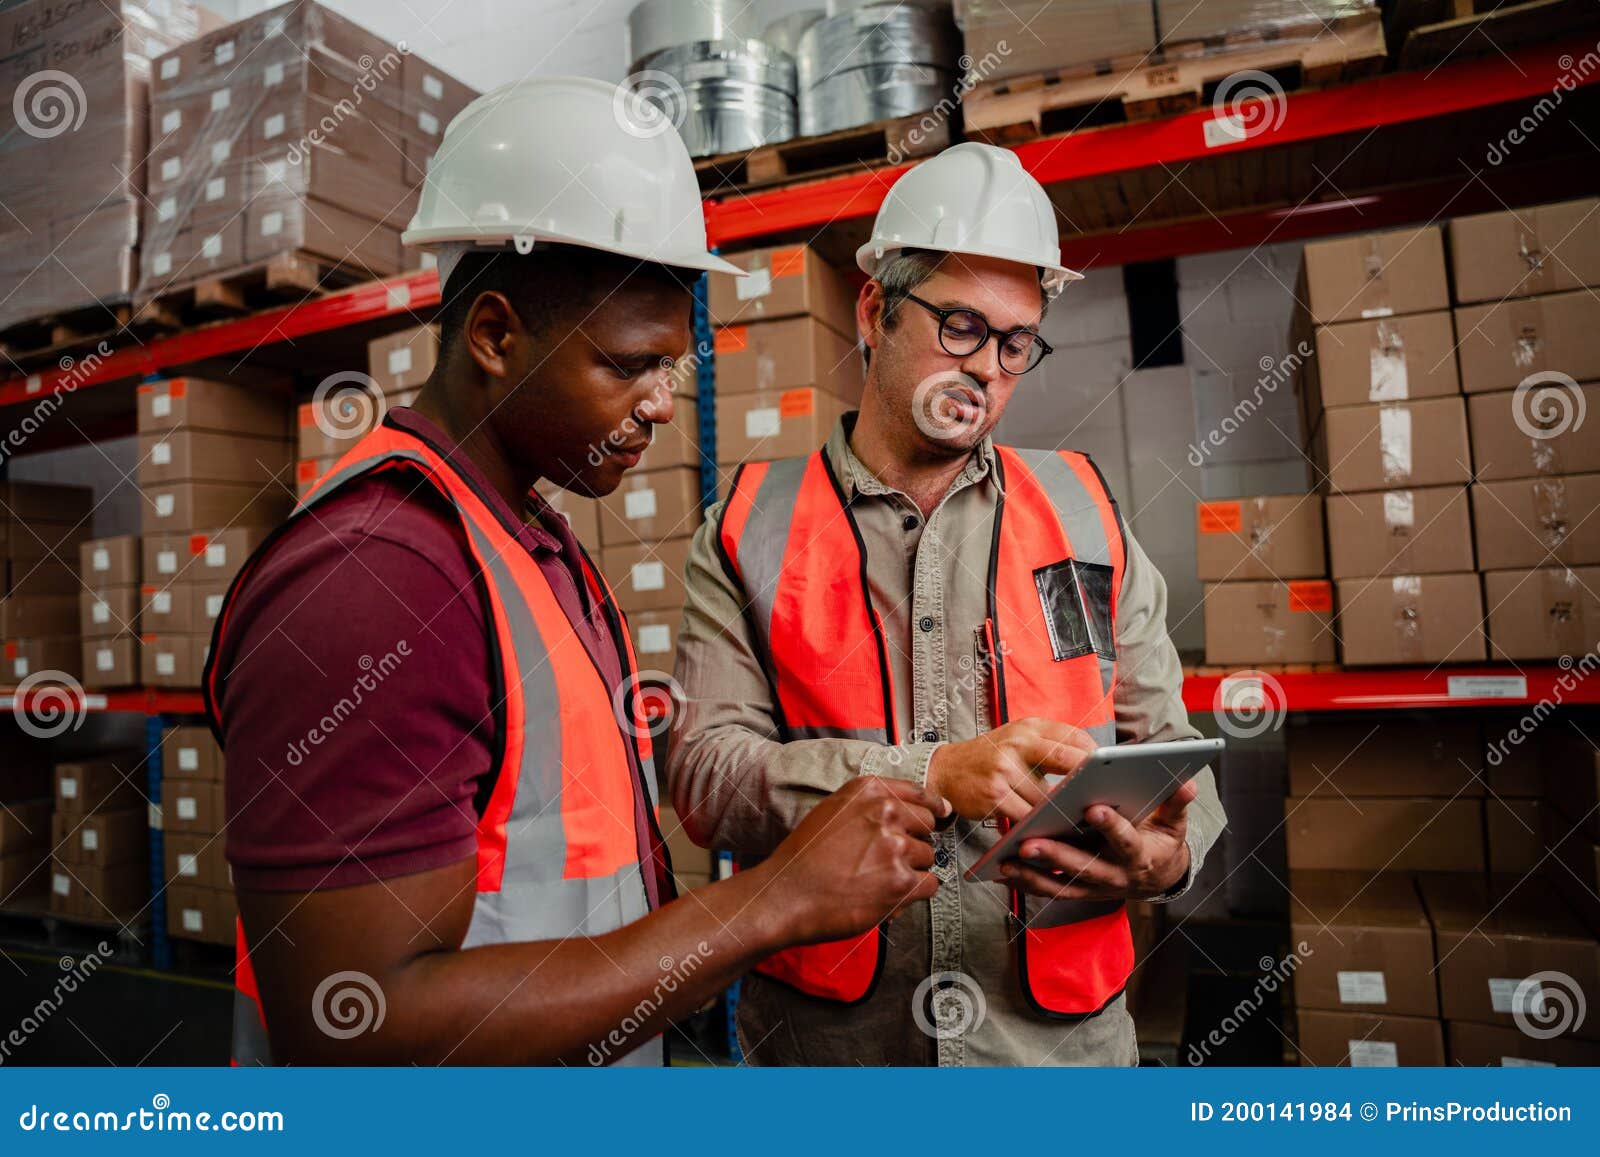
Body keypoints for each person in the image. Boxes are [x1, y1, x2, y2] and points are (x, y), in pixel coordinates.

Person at [203, 76, 946, 1067]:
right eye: (626, 364)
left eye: (670, 368)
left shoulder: (529, 540)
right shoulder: (377, 582)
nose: (662, 403)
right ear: (494, 336)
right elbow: (355, 1020)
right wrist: (772, 901)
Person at [667, 141, 1227, 1066]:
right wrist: (925, 772)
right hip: (836, 1058)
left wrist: (1167, 859)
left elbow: (1173, 758)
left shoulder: (1085, 511)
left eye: (1016, 343)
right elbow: (703, 778)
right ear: (875, 311)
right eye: (961, 326)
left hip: (1061, 1060)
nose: (989, 369)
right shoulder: (750, 526)